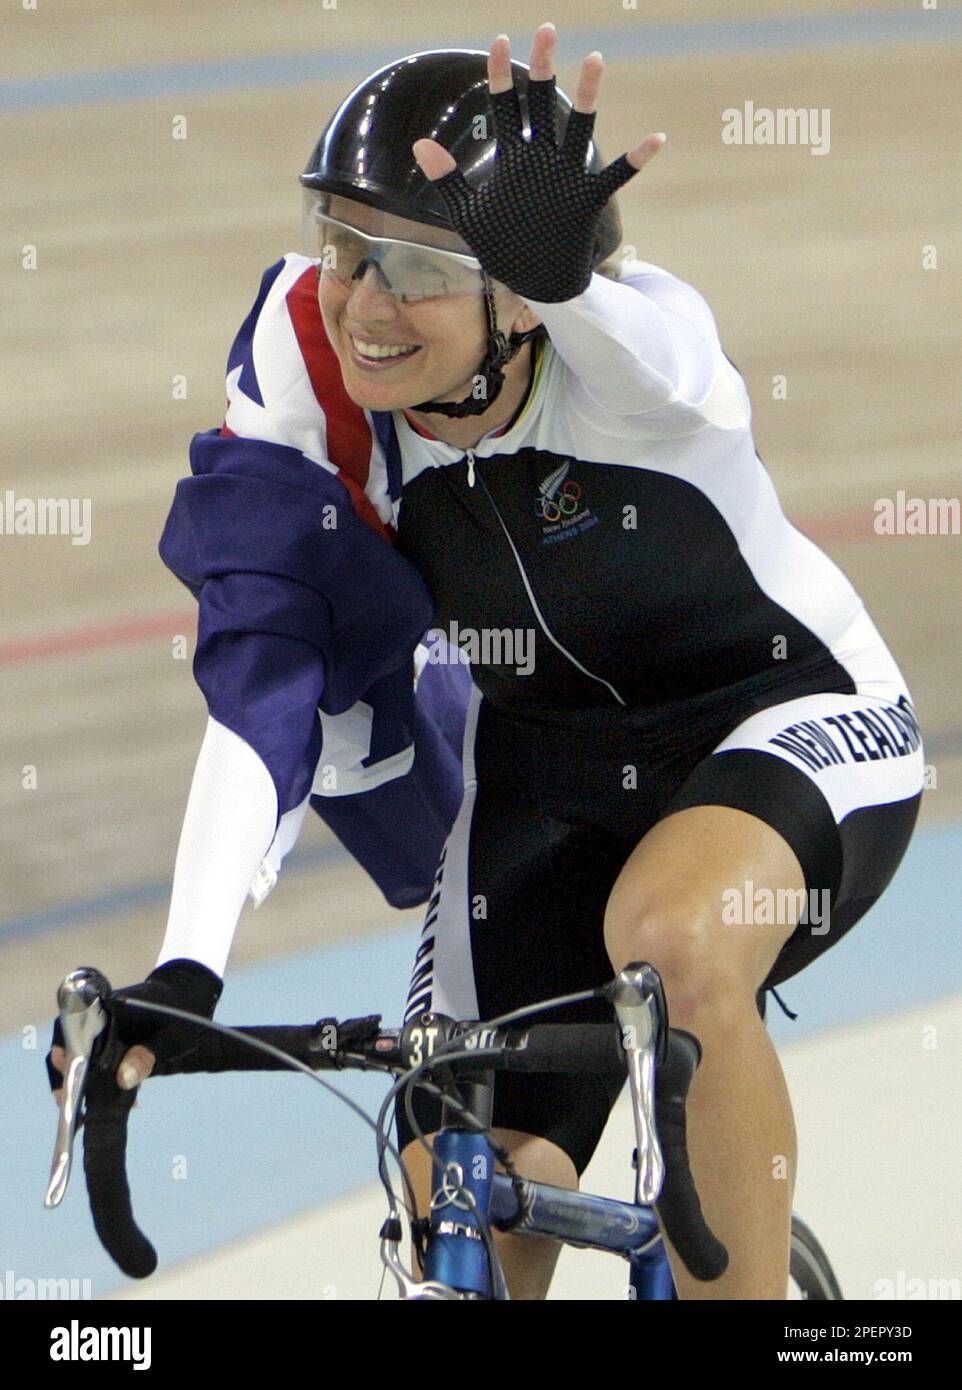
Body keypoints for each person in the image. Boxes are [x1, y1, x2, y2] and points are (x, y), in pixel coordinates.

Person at [49, 25, 925, 1300]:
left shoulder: (637, 362)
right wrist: (189, 967)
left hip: (780, 721)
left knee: (670, 937)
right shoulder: (311, 363)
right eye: (343, 246)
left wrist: (562, 285)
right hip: (543, 768)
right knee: (450, 1145)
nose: (361, 301)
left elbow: (657, 361)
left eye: (410, 266)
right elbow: (261, 670)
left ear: (515, 302)